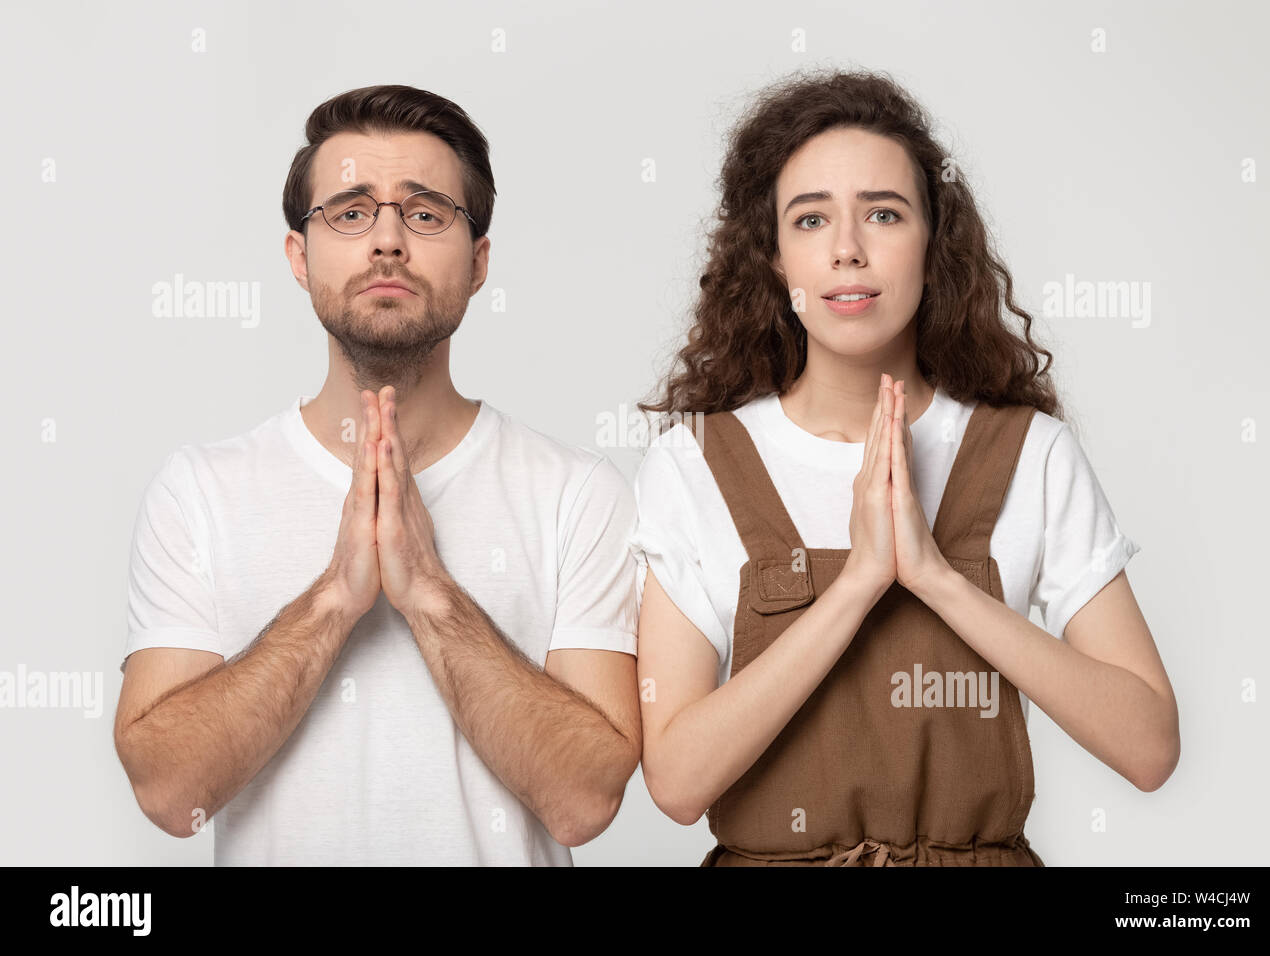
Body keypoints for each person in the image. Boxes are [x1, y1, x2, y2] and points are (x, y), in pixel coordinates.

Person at [631, 69, 1179, 866]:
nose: (847, 250)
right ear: (776, 260)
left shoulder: (1030, 454)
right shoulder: (695, 466)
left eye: (883, 214)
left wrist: (934, 577)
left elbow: (1149, 745)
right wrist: (856, 585)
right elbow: (677, 783)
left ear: (935, 244)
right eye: (810, 219)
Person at [114, 85, 641, 865]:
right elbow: (168, 793)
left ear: (479, 261)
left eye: (426, 213)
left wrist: (430, 593)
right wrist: (333, 601)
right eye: (351, 211)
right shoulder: (198, 491)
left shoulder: (578, 494)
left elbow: (584, 801)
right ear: (299, 256)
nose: (387, 240)